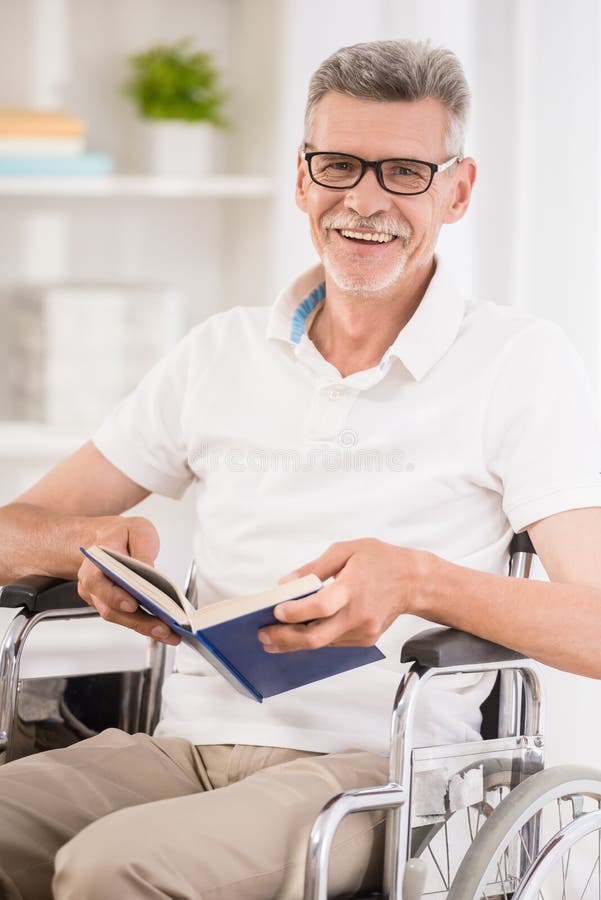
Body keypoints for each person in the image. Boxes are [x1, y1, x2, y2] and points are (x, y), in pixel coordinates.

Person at [0, 38, 600, 900]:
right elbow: (11, 534)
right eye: (339, 166)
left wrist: (418, 583)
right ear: (300, 178)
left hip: (371, 773)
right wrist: (85, 547)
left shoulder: (517, 361)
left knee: (106, 868)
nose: (364, 200)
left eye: (403, 172)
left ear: (456, 190)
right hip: (177, 749)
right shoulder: (219, 352)